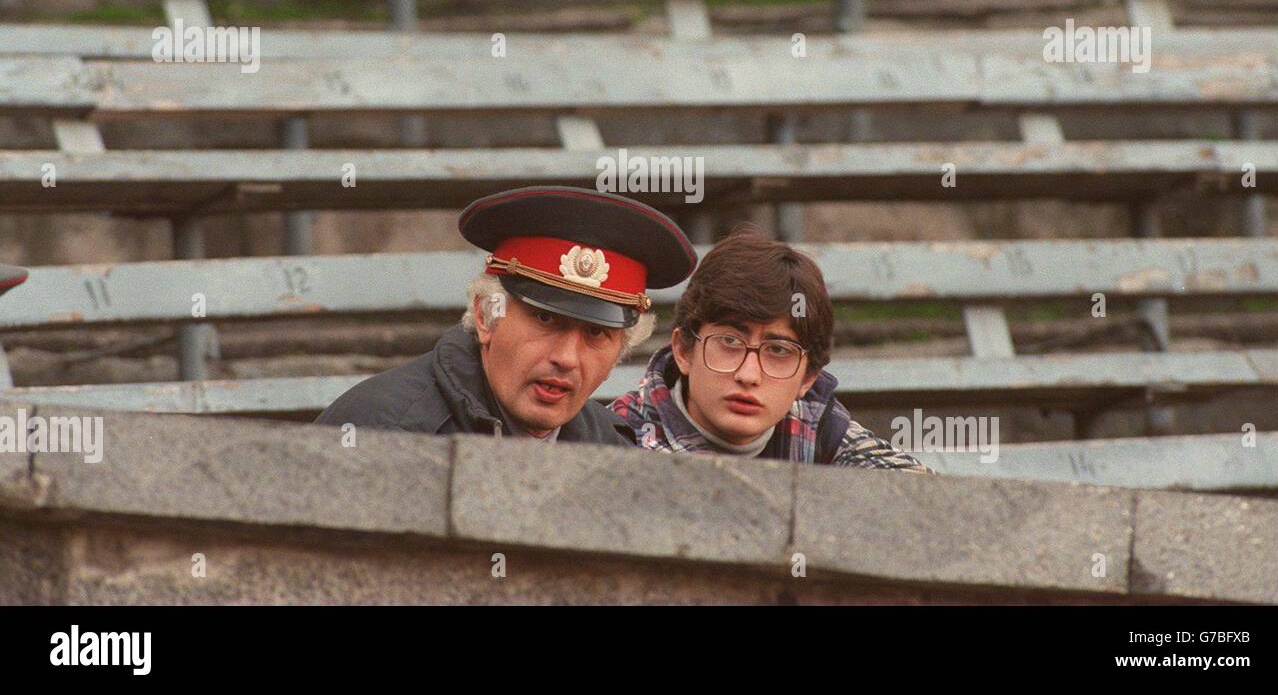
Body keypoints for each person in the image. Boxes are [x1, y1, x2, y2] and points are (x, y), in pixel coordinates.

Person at [315, 186, 696, 444]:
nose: (565, 358)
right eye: (545, 320)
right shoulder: (380, 432)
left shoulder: (613, 452)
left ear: (620, 353)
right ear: (485, 317)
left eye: (597, 334)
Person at [609, 226, 931, 470]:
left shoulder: (823, 432)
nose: (748, 375)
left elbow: (922, 504)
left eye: (778, 351)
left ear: (808, 379)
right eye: (729, 342)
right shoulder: (614, 440)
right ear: (683, 351)